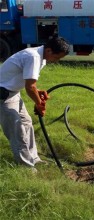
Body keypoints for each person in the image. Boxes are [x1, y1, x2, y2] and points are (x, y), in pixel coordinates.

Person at [0, 36, 70, 169]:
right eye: (57, 57)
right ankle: (26, 167)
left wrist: (38, 91)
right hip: (3, 96)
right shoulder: (33, 57)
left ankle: (34, 158)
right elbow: (30, 87)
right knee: (17, 131)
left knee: (27, 123)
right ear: (49, 51)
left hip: (13, 93)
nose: (56, 61)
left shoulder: (41, 57)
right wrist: (39, 103)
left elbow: (29, 83)